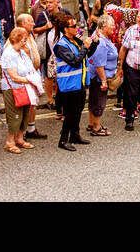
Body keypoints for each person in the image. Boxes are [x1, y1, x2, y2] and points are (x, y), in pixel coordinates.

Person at [51, 14, 91, 151]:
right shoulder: (61, 46)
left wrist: (92, 44)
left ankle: (75, 135)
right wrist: (85, 47)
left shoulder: (75, 41)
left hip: (79, 81)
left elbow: (87, 54)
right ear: (65, 29)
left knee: (78, 110)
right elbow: (74, 61)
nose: (77, 28)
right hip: (69, 84)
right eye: (74, 26)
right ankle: (63, 140)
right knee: (70, 113)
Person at [0, 27, 39, 153]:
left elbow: (30, 68)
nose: (26, 43)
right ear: (17, 40)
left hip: (24, 88)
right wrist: (31, 80)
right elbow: (14, 77)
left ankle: (20, 139)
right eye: (24, 40)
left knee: (25, 114)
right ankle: (10, 142)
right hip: (13, 89)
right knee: (15, 115)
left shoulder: (21, 52)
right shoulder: (9, 54)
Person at [85, 15, 119, 137]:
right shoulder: (101, 42)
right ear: (104, 26)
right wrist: (104, 81)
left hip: (95, 76)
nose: (114, 27)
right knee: (99, 102)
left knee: (94, 99)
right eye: (112, 25)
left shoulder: (99, 36)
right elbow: (99, 64)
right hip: (99, 77)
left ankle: (91, 123)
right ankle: (96, 127)